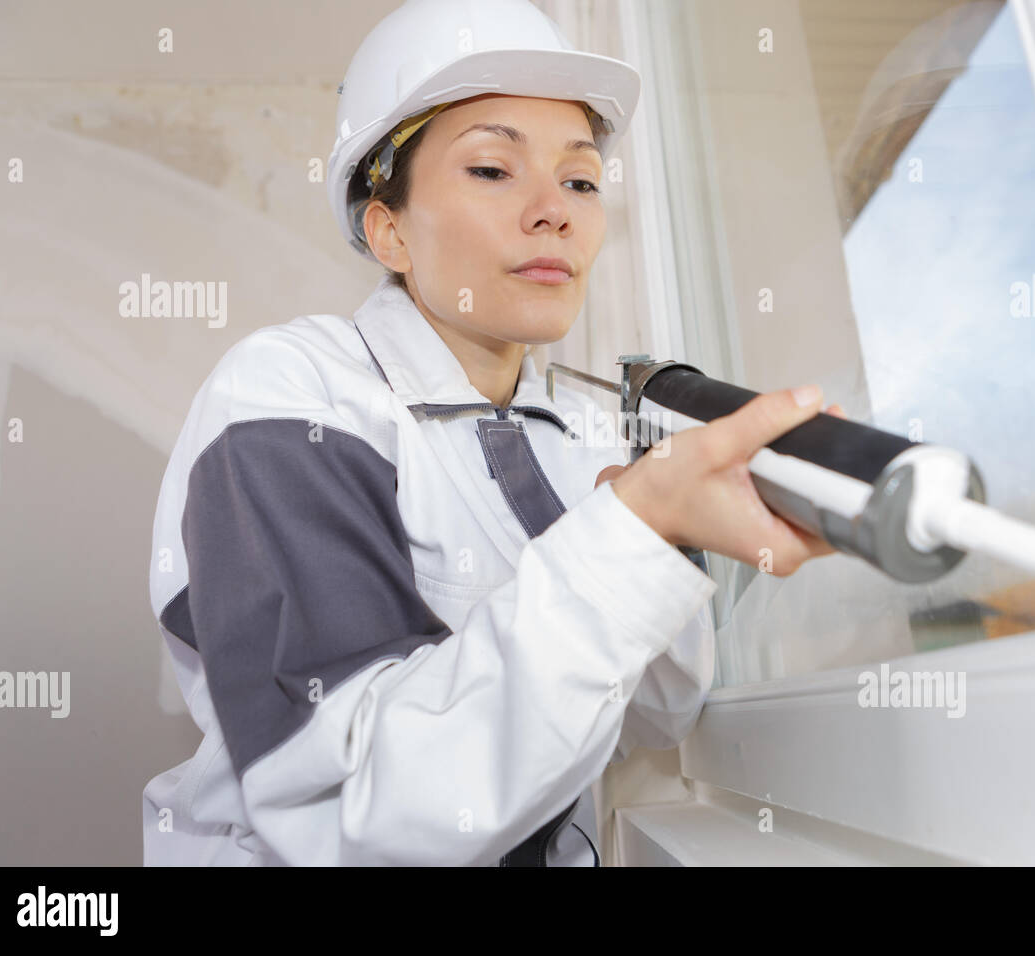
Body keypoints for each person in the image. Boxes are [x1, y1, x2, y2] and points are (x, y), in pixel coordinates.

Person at [142, 0, 842, 866]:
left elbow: (657, 714)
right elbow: (347, 806)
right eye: (491, 169)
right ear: (387, 226)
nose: (555, 211)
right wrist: (632, 533)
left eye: (581, 181)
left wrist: (671, 536)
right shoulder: (293, 397)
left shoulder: (584, 430)